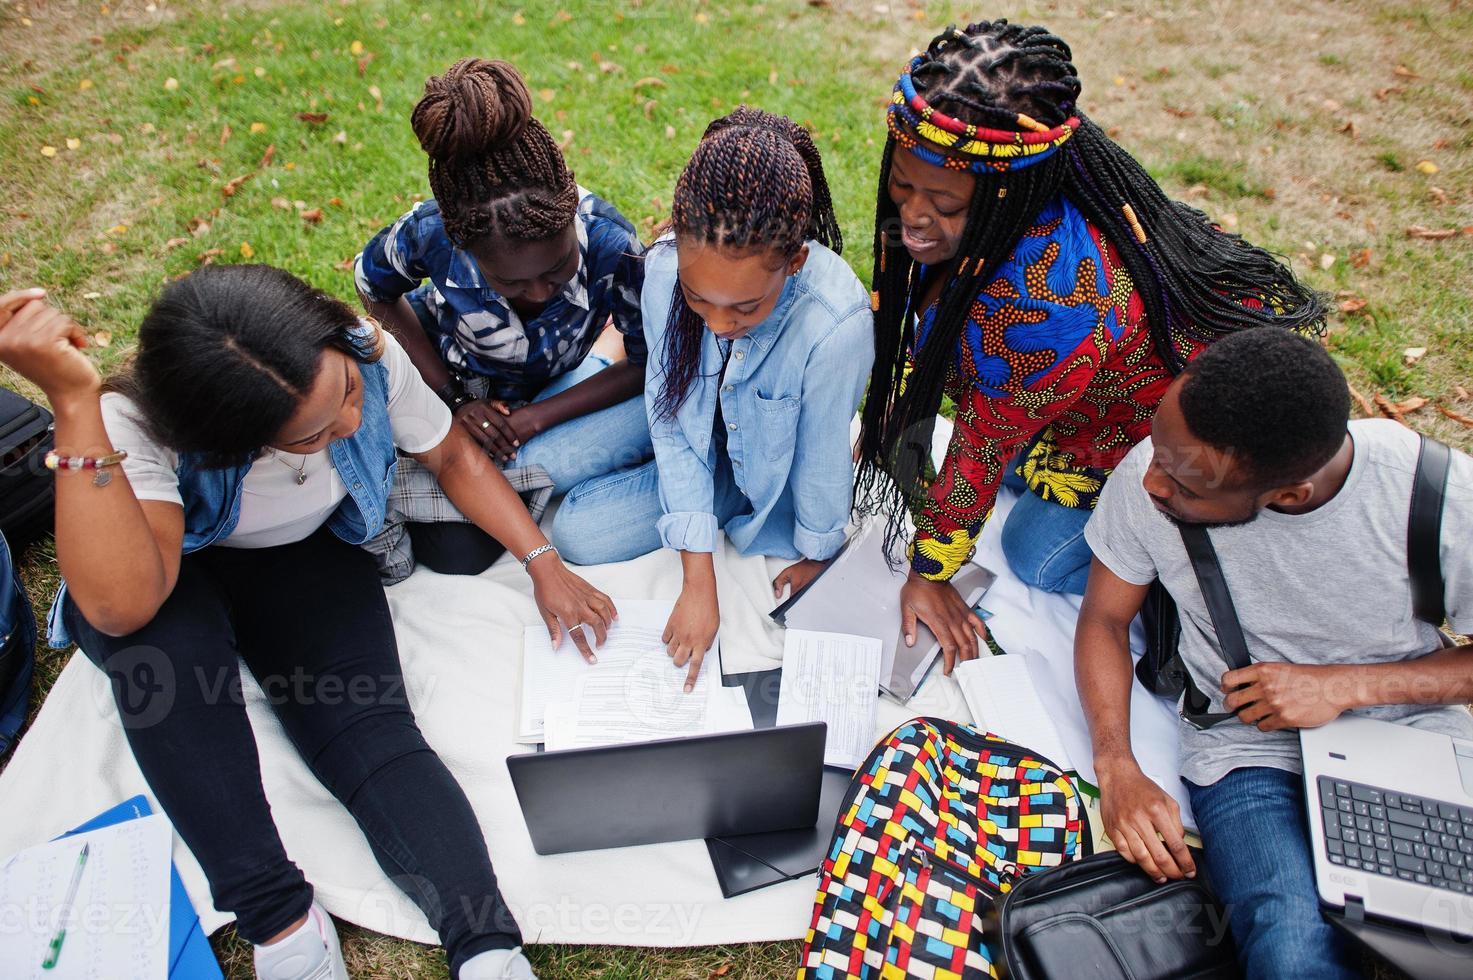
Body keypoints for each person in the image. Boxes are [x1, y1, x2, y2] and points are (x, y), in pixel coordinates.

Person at [0, 269, 619, 980]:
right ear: (224, 441)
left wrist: (541, 560)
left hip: (302, 556)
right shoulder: (138, 425)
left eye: (349, 397)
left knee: (369, 730)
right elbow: (121, 605)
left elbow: (447, 453)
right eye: (312, 436)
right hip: (167, 570)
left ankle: (485, 946)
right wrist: (76, 402)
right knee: (165, 671)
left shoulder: (362, 350)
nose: (352, 427)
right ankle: (280, 917)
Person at [853, 20, 1324, 674]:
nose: (911, 216)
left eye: (943, 202)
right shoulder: (1008, 189)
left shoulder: (1042, 306)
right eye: (902, 184)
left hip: (1153, 437)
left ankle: (1199, 575)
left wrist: (931, 573)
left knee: (1033, 556)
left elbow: (982, 444)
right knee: (982, 461)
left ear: (1009, 192)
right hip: (1075, 400)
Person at [1075, 328, 1473, 979]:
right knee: (1289, 952)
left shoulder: (1434, 497)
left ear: (1287, 496)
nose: (1149, 481)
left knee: (1438, 944)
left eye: (1184, 487)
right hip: (1247, 750)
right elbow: (1103, 618)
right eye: (1156, 449)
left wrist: (1344, 688)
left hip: (1408, 738)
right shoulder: (1162, 467)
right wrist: (1116, 764)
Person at [549, 107, 873, 689]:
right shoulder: (667, 266)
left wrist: (820, 552)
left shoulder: (835, 322)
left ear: (795, 261)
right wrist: (699, 580)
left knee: (577, 532)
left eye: (745, 308)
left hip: (751, 468)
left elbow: (823, 451)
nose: (719, 323)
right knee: (540, 465)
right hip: (689, 419)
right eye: (700, 301)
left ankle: (679, 487)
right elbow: (675, 422)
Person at [354, 58, 649, 578]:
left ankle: (595, 368)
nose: (538, 292)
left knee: (482, 531)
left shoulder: (612, 245)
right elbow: (373, 291)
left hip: (551, 391)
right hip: (454, 382)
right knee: (455, 552)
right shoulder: (433, 232)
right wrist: (454, 400)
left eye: (559, 270)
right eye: (510, 284)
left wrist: (539, 417)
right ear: (464, 248)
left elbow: (647, 365)